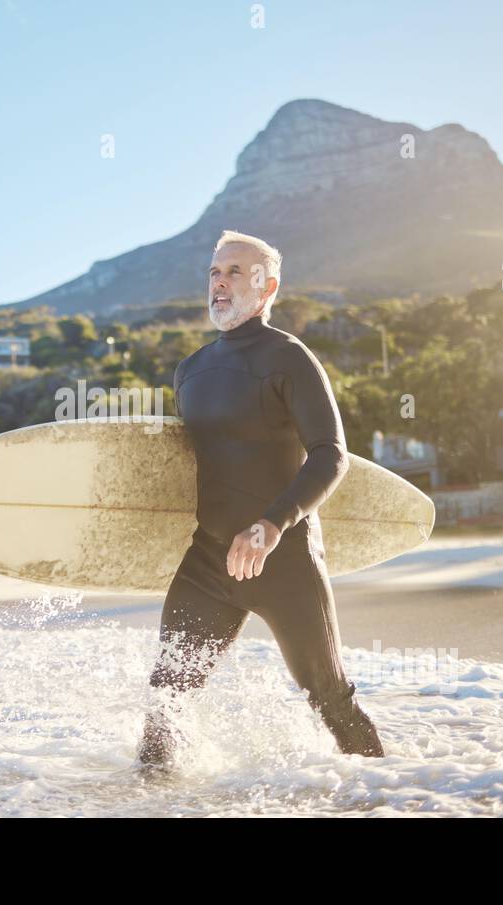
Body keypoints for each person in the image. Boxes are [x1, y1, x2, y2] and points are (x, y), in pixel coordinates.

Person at [137, 230, 385, 770]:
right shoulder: (190, 371)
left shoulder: (290, 358)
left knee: (329, 696)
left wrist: (272, 525)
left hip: (284, 558)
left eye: (235, 272)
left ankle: (390, 798)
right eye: (214, 272)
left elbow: (330, 455)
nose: (219, 282)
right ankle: (151, 802)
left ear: (267, 286)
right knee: (166, 698)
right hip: (208, 561)